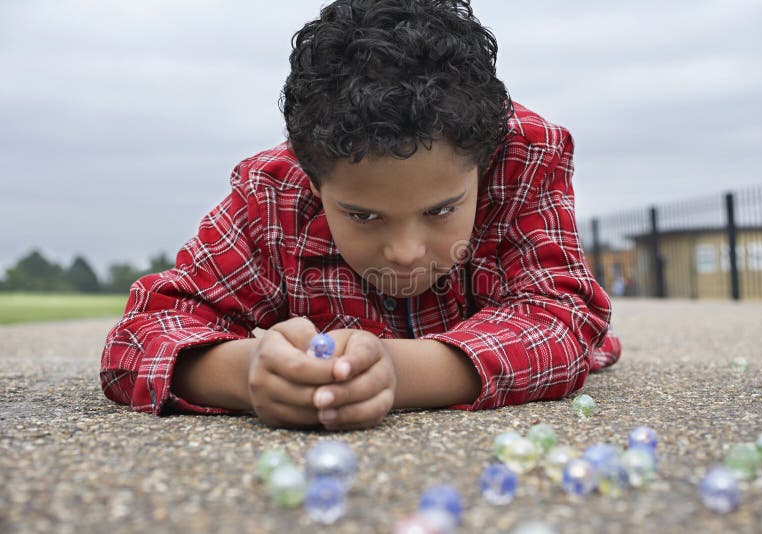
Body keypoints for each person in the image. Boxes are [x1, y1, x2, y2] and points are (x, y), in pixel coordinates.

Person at [100, 0, 621, 431]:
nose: (406, 251)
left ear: (484, 166)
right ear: (312, 181)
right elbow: (138, 338)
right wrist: (247, 373)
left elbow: (562, 321)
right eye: (364, 216)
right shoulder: (273, 193)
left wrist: (395, 370)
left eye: (441, 209)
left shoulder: (525, 156)